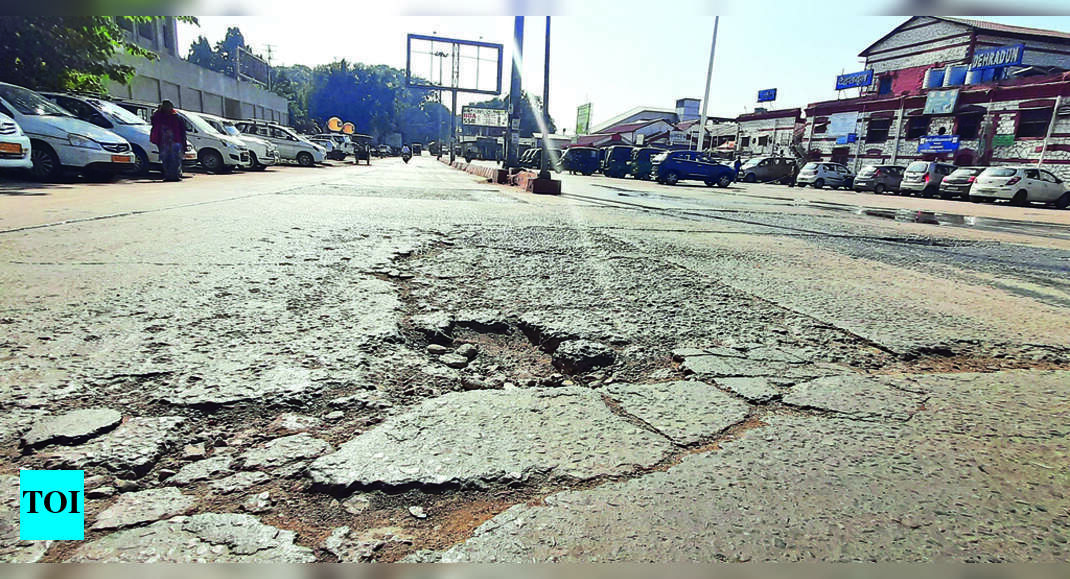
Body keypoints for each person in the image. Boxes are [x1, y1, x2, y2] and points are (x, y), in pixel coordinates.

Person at [150, 100, 186, 182]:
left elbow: (182, 131)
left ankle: (172, 175)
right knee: (168, 159)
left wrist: (184, 143)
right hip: (166, 141)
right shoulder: (159, 116)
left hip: (172, 141)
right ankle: (170, 176)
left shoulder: (176, 117)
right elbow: (153, 122)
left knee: (172, 159)